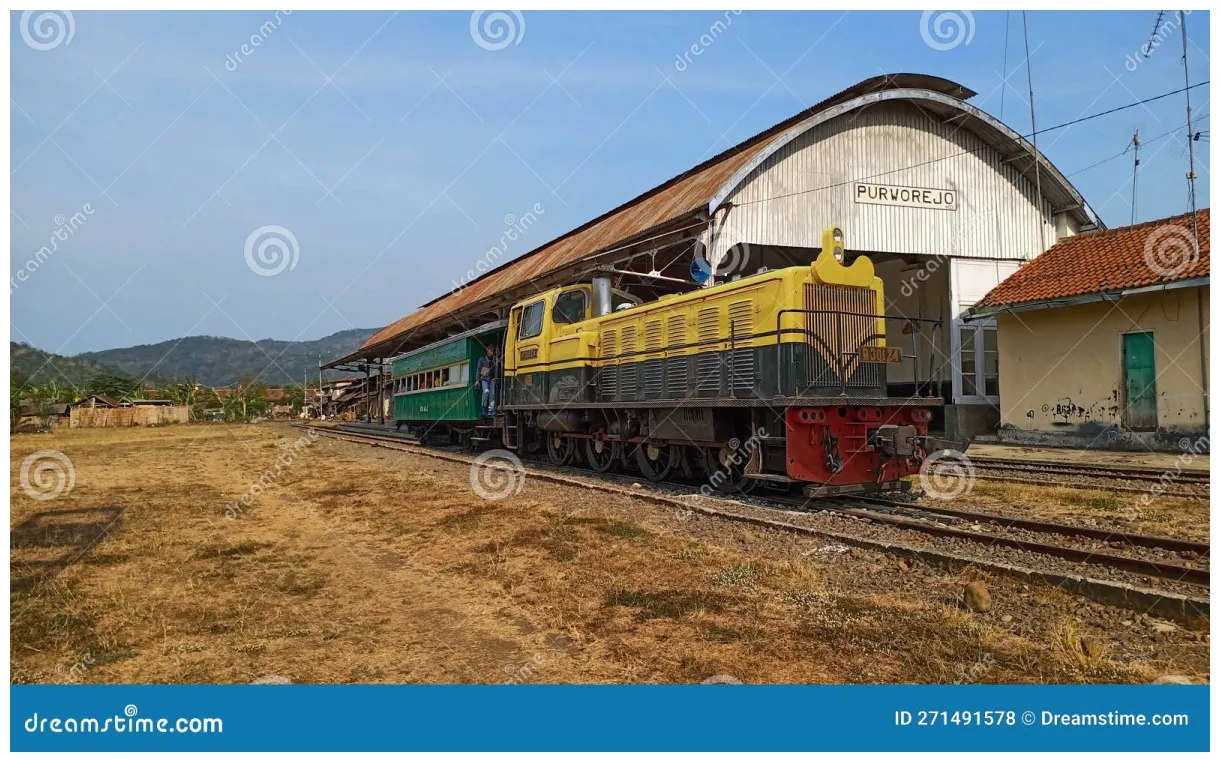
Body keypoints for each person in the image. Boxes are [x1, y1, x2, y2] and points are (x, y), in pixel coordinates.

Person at [476, 345, 499, 416]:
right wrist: (477, 380)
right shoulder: (482, 359)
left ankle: (491, 410)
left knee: (492, 395)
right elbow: (478, 369)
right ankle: (484, 408)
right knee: (486, 392)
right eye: (489, 350)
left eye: (492, 351)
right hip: (484, 379)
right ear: (486, 351)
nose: (490, 352)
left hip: (492, 379)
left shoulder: (495, 359)